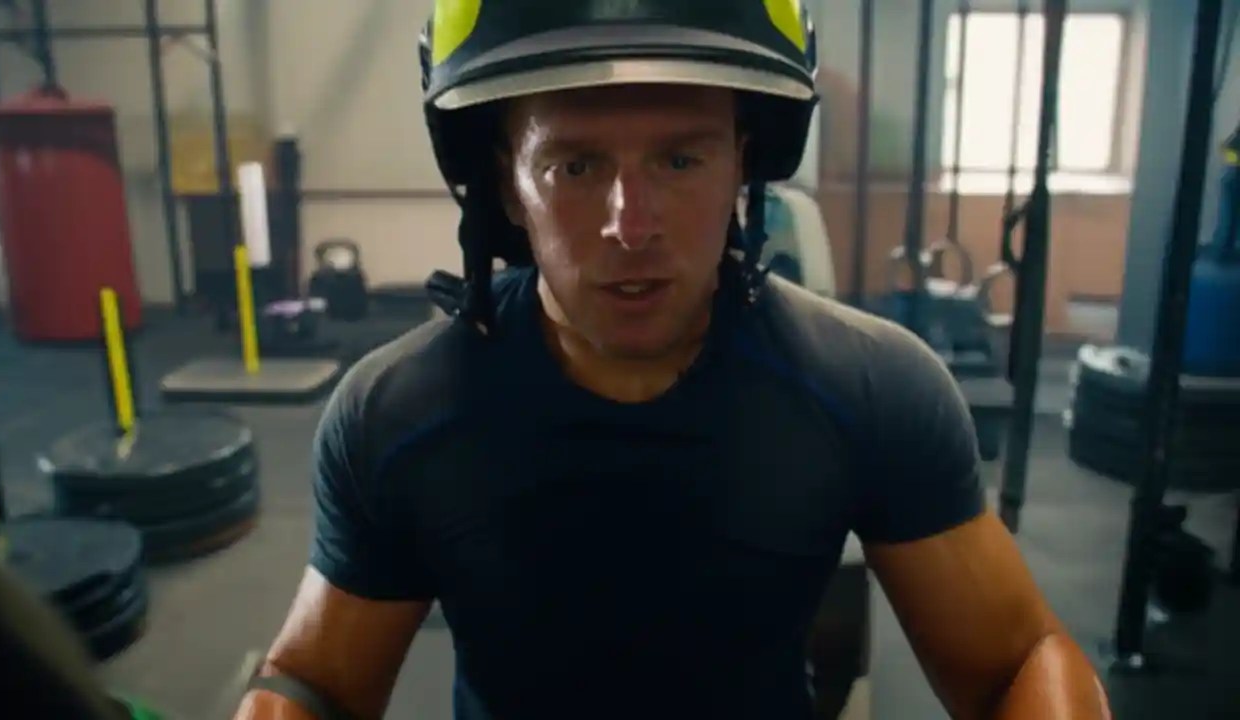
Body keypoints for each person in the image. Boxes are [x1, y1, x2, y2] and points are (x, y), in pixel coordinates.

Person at [236, 2, 1112, 718]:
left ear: (744, 161)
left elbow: (1015, 663)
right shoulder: (395, 415)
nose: (632, 224)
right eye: (575, 165)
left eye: (681, 158)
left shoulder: (874, 389)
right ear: (506, 181)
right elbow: (316, 684)